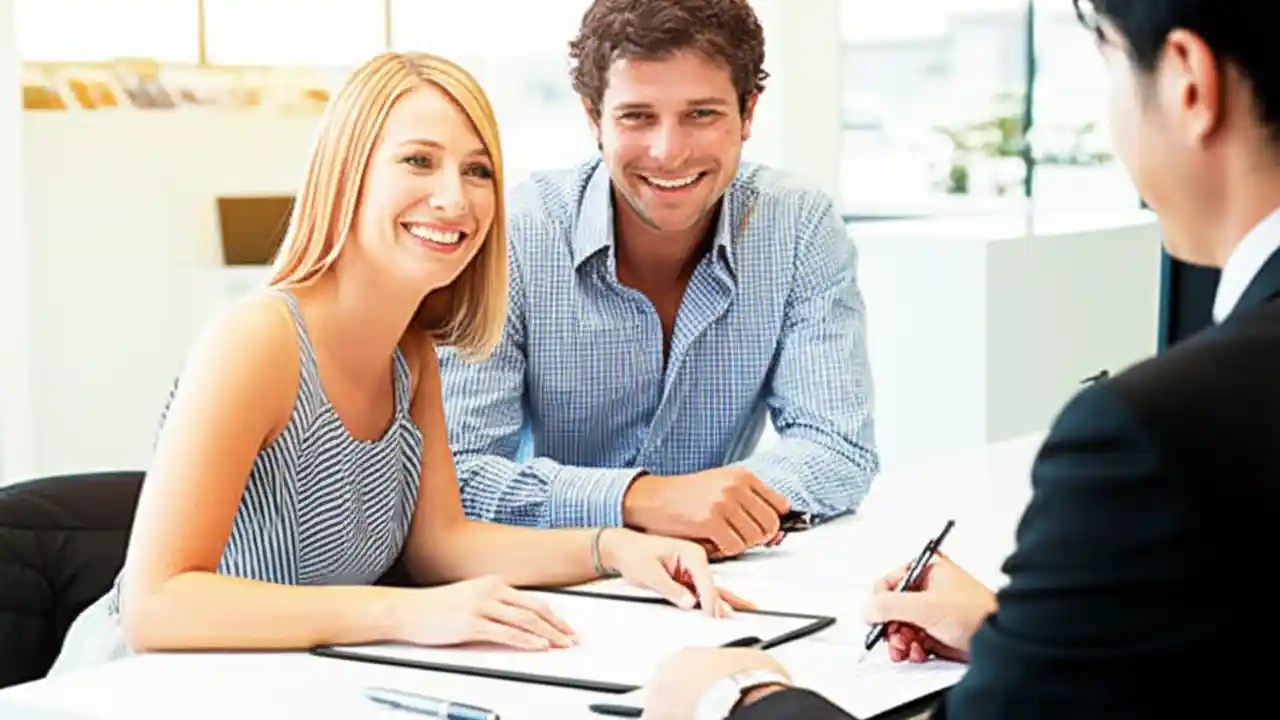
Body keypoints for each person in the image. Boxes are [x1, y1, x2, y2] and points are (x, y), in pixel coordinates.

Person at [641, 0, 1280, 716]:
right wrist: (1024, 637)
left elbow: (836, 448)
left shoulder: (1149, 434)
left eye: (1110, 69)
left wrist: (734, 697)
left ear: (1187, 83)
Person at [48, 51, 747, 677]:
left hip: (294, 683)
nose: (456, 197)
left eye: (478, 171)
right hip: (146, 688)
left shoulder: (411, 353)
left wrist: (616, 548)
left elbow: (443, 546)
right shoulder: (257, 340)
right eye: (419, 161)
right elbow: (158, 605)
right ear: (348, 174)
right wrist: (407, 615)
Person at [438, 0, 879, 561]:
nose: (669, 152)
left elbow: (837, 447)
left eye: (702, 114)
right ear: (593, 118)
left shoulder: (798, 227)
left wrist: (725, 511)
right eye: (637, 116)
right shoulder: (519, 237)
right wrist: (642, 501)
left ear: (748, 113)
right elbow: (461, 475)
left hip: (727, 572)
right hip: (556, 576)